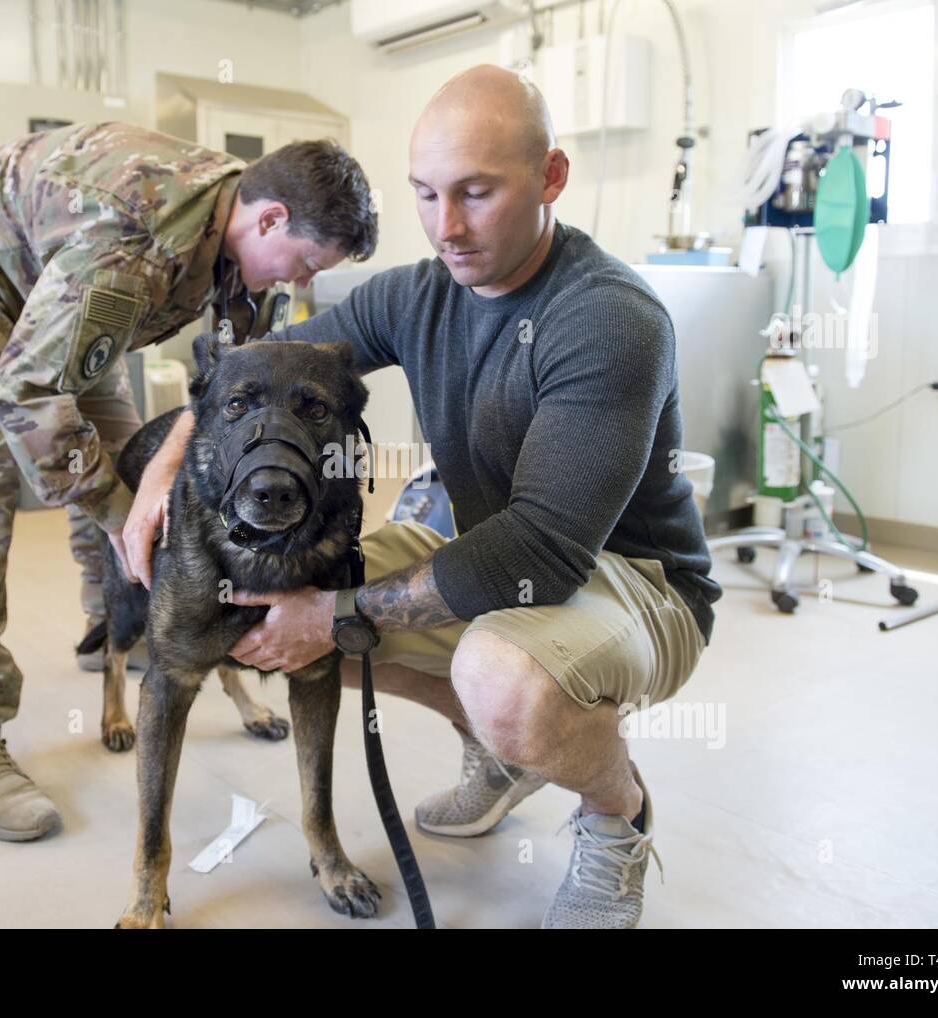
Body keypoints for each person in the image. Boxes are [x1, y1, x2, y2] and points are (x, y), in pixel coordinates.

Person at [122, 68, 721, 928]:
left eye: (477, 193)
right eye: (427, 195)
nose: (447, 227)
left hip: (633, 579)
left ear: (551, 178)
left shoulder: (607, 317)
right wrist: (161, 467)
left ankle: (614, 815)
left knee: (492, 672)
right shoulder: (420, 293)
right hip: (501, 546)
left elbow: (542, 551)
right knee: (275, 600)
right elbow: (261, 366)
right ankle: (504, 751)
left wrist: (336, 617)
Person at [0, 122, 377, 842]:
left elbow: (221, 400)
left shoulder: (237, 224)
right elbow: (30, 393)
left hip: (52, 297)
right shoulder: (137, 237)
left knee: (121, 455)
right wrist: (119, 515)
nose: (301, 284)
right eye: (302, 264)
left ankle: (115, 622)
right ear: (270, 218)